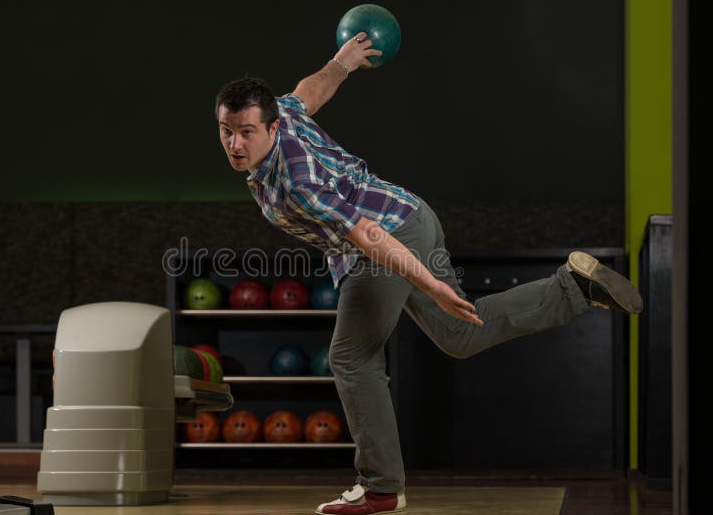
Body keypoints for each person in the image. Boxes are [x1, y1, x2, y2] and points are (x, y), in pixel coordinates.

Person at [214, 33, 642, 515]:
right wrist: (342, 62)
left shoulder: (294, 181)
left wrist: (432, 284)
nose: (235, 143)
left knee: (352, 357)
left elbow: (366, 234)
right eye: (227, 130)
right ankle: (573, 287)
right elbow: (308, 91)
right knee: (459, 333)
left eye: (246, 131)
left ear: (270, 127)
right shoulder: (283, 114)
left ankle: (380, 488)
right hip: (413, 215)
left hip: (386, 237)